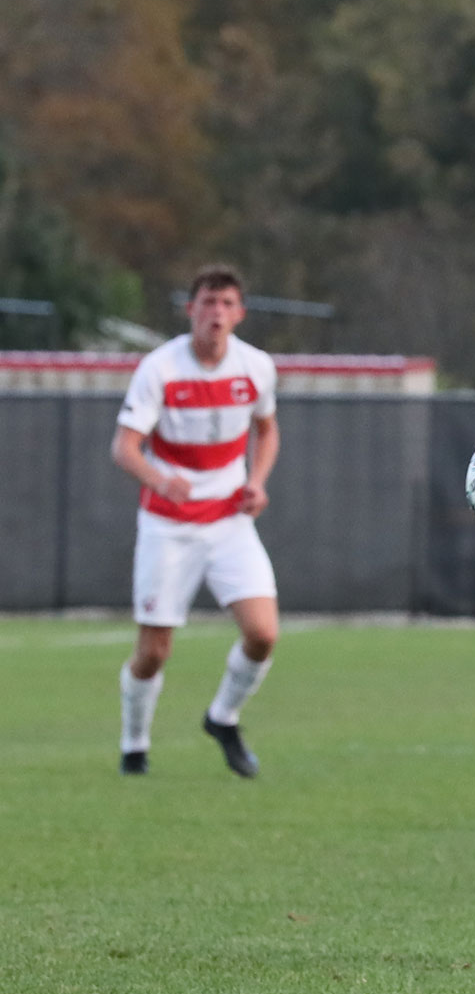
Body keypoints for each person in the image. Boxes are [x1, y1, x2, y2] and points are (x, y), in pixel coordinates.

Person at [110, 264, 281, 778]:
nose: (217, 313)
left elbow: (268, 431)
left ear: (240, 314)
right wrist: (161, 480)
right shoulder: (161, 368)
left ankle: (222, 718)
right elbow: (124, 447)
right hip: (169, 525)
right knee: (153, 652)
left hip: (229, 521)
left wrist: (258, 480)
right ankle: (134, 745)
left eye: (227, 304)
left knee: (263, 634)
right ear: (191, 310)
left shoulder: (256, 367)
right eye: (208, 302)